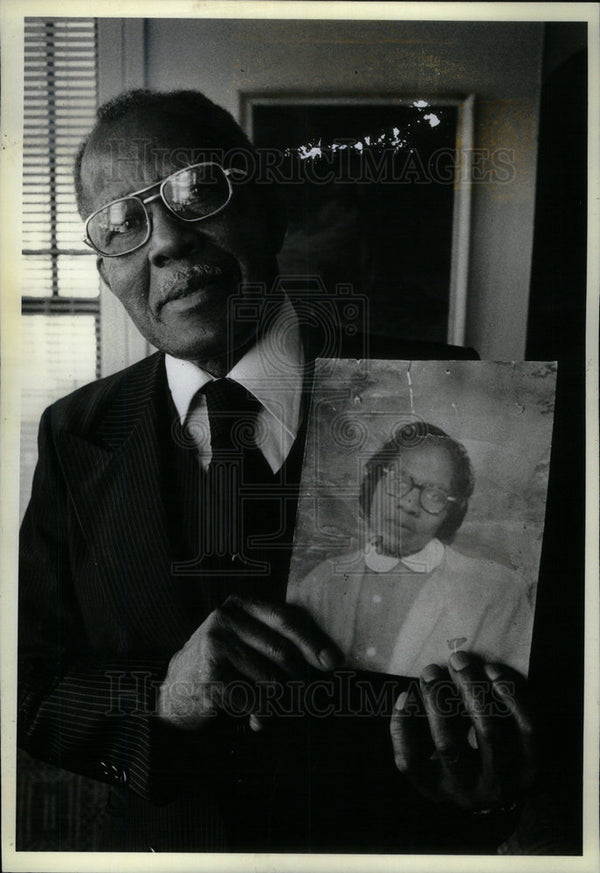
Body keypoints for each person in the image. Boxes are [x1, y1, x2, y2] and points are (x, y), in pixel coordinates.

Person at [17, 88, 546, 853]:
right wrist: (160, 700)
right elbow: (29, 682)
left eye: (198, 188)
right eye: (122, 223)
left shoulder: (455, 394)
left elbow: (543, 685)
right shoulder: (75, 435)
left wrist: (495, 785)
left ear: (270, 206)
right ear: (107, 272)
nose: (165, 240)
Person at [292, 423, 533, 679]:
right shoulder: (322, 581)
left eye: (435, 494)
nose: (409, 503)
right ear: (374, 479)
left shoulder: (498, 593)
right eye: (399, 479)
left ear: (452, 512)